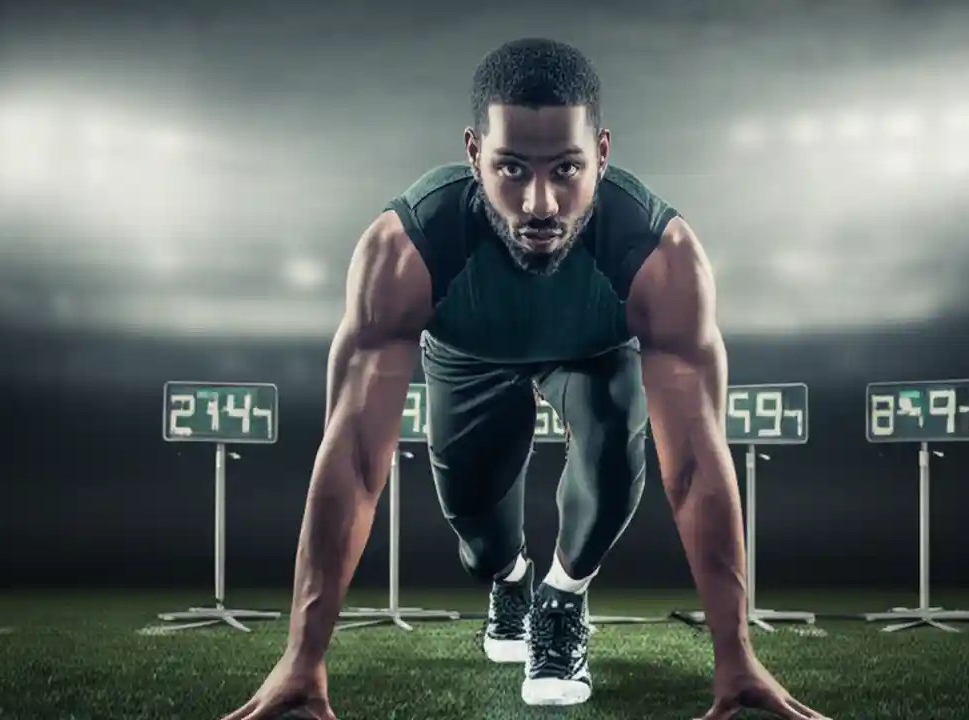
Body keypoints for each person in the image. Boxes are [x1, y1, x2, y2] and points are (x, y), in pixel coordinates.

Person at [222, 37, 829, 720]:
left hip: (596, 353)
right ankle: (511, 579)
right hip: (467, 358)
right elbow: (358, 460)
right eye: (511, 168)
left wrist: (736, 654)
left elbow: (691, 468)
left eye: (566, 169)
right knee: (476, 530)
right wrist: (302, 658)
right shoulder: (406, 251)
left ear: (601, 154)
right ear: (474, 153)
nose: (541, 203)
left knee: (610, 459)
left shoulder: (661, 258)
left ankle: (562, 599)